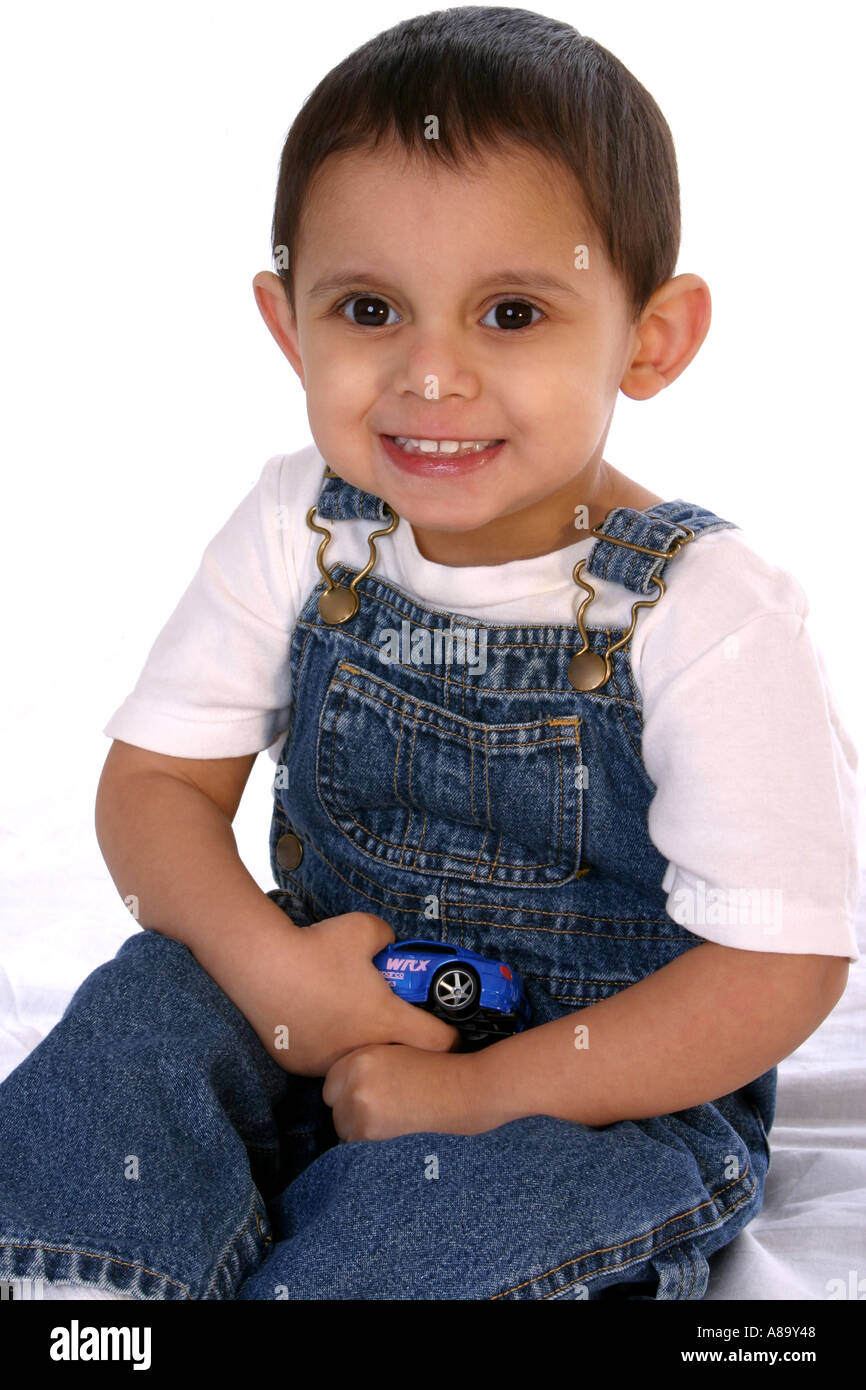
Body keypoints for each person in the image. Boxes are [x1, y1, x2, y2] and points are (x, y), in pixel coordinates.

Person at [0, 7, 858, 1302]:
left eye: (511, 310)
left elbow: (777, 968)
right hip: (315, 996)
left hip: (595, 1073)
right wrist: (277, 977)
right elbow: (156, 789)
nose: (431, 374)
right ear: (290, 326)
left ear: (650, 337)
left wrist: (478, 1092)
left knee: (440, 1232)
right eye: (368, 308)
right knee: (134, 1032)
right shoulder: (306, 522)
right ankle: (88, 1290)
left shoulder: (701, 609)